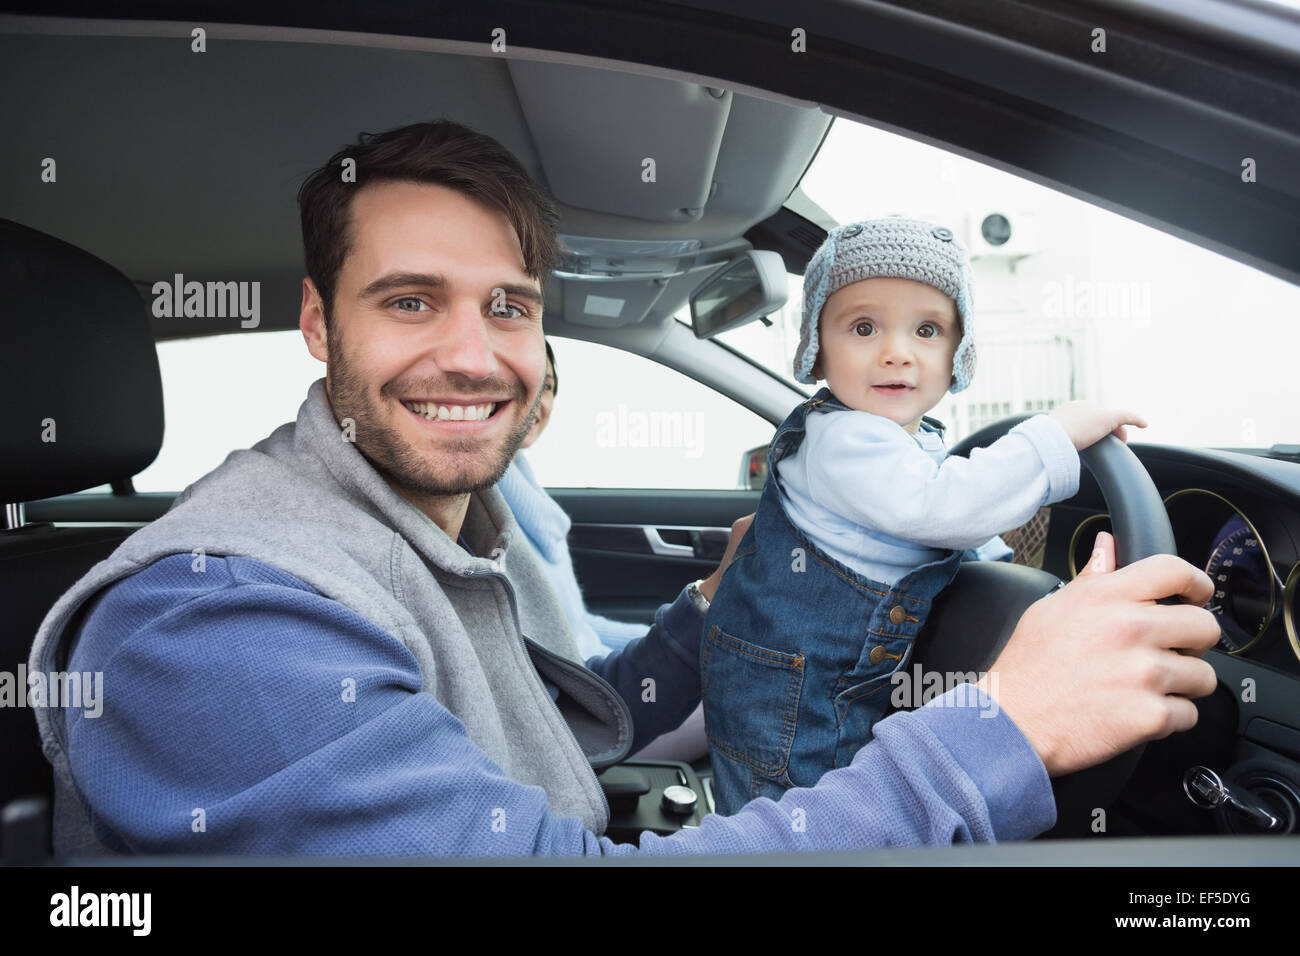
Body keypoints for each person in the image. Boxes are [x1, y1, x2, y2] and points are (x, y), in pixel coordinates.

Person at [28, 121, 1219, 857]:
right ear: (313, 323)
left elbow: (541, 727)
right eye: (408, 300)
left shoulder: (410, 538)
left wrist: (721, 614)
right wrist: (1000, 729)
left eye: (509, 306)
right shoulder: (212, 621)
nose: (471, 352)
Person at [702, 218, 1149, 814]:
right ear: (817, 346)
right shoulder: (844, 442)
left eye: (927, 329)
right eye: (864, 327)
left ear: (956, 352)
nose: (896, 352)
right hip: (792, 707)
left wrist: (1016, 575)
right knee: (804, 832)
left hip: (807, 688)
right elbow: (945, 508)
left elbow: (950, 537)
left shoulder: (903, 442)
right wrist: (1057, 434)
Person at [497, 340, 648, 660]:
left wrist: (662, 636)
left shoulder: (527, 490)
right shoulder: (490, 516)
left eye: (547, 386)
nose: (537, 399)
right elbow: (566, 658)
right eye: (519, 381)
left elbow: (578, 627)